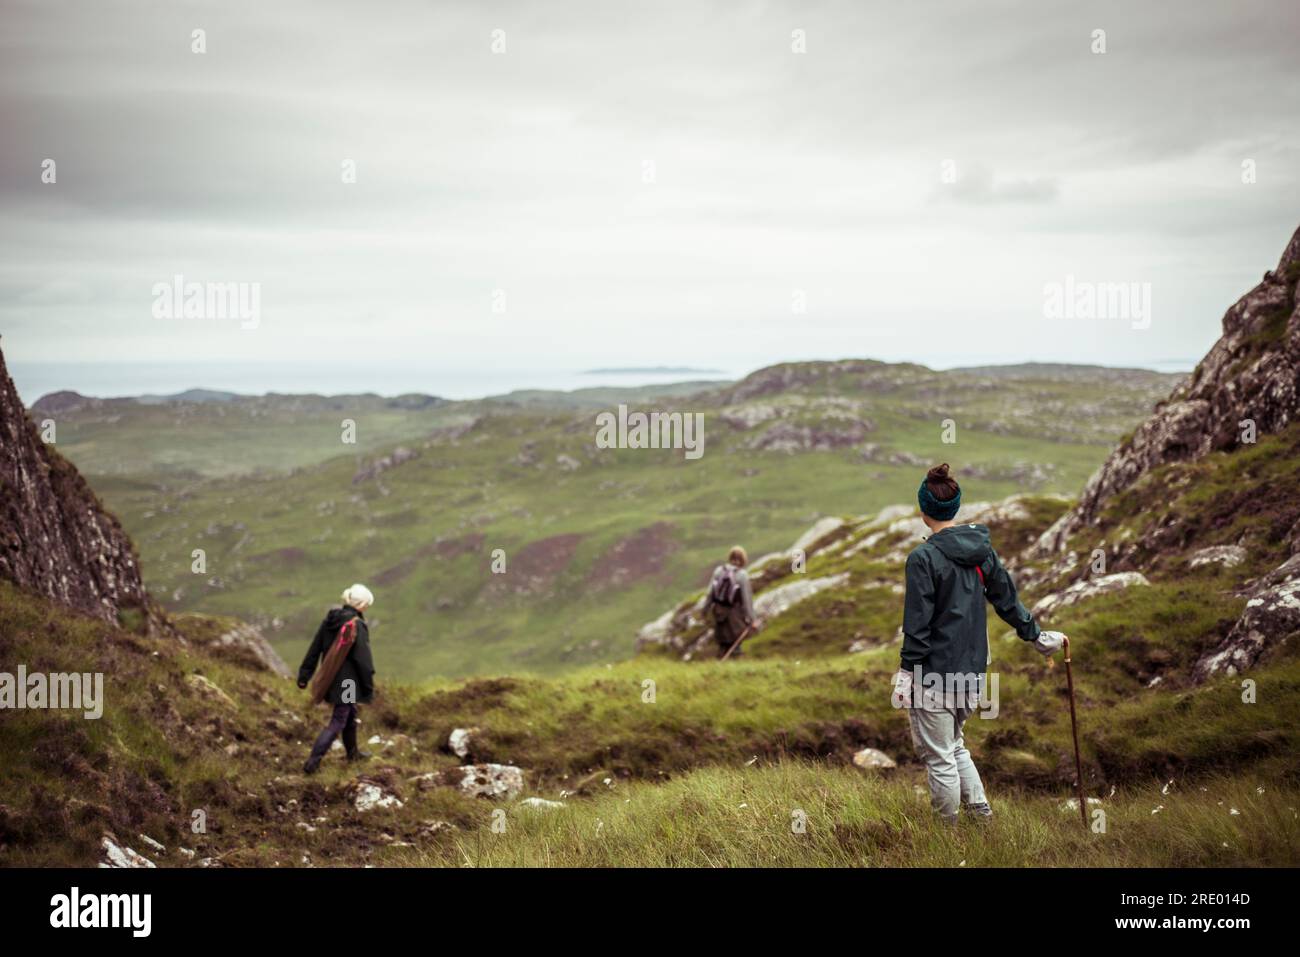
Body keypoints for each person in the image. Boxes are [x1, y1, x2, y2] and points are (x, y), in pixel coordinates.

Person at [890, 464, 1065, 823]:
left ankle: (946, 833)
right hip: (972, 673)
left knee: (939, 756)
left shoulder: (922, 559)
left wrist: (906, 675)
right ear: (954, 507)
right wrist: (1036, 636)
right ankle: (980, 816)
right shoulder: (982, 552)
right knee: (954, 745)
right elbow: (1008, 602)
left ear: (924, 512)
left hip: (933, 674)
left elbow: (917, 626)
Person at [298, 583, 377, 775]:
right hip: (348, 683)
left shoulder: (329, 621)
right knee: (339, 719)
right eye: (367, 605)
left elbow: (314, 649)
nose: (367, 608)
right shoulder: (356, 625)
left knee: (349, 715)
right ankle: (312, 763)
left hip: (331, 678)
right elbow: (363, 660)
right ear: (362, 604)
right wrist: (368, 686)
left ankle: (353, 754)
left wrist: (304, 675)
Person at [701, 545, 758, 659]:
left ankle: (720, 662)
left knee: (722, 641)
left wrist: (705, 610)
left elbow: (710, 594)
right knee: (735, 641)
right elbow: (747, 601)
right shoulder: (742, 575)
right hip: (734, 615)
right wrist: (752, 620)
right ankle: (732, 664)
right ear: (743, 560)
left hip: (718, 612)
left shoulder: (719, 571)